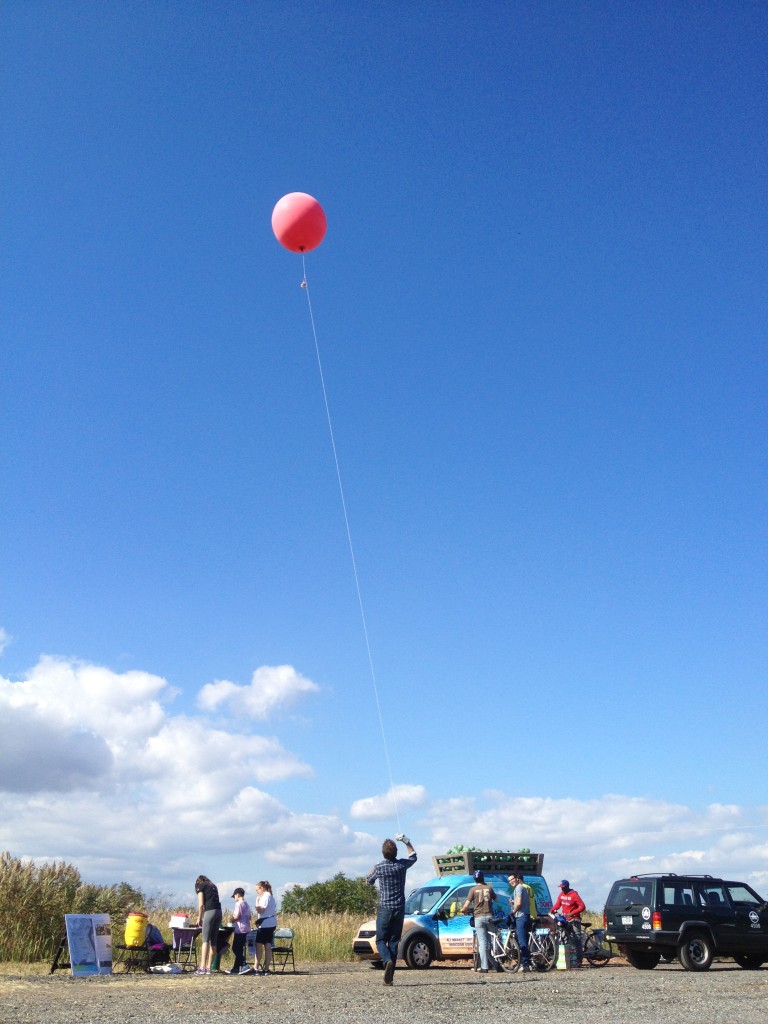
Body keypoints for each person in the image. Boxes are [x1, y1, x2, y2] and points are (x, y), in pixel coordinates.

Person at [366, 832, 417, 986]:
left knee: (381, 940)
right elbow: (413, 857)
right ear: (396, 852)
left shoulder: (379, 867)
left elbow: (368, 881)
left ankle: (386, 960)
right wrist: (406, 840)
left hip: (385, 908)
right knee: (394, 942)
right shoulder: (402, 865)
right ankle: (390, 977)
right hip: (399, 908)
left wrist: (369, 874)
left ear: (383, 853)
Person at [461, 870, 498, 973]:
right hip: (490, 916)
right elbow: (497, 899)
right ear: (483, 878)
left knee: (482, 943)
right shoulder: (489, 888)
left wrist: (463, 910)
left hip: (479, 917)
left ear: (474, 879)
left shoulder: (472, 890)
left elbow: (466, 905)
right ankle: (495, 964)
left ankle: (485, 967)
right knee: (490, 942)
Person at [551, 879, 586, 966]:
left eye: (563, 887)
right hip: (565, 920)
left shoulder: (574, 895)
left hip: (574, 920)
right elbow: (557, 905)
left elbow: (582, 906)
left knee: (577, 939)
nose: (562, 889)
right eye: (561, 888)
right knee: (565, 939)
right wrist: (551, 910)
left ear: (567, 886)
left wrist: (572, 913)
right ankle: (567, 959)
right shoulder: (561, 894)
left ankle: (579, 960)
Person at [194, 874, 223, 975]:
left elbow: (201, 904)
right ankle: (209, 967)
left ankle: (202, 967)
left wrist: (199, 918)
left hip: (209, 911)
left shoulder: (200, 886)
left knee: (205, 940)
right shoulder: (213, 885)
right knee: (213, 940)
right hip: (219, 912)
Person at [507, 872, 532, 972]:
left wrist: (513, 911)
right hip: (525, 915)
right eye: (509, 881)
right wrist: (514, 903)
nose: (511, 882)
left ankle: (525, 964)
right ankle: (528, 962)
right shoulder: (523, 888)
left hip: (521, 916)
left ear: (517, 879)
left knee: (522, 941)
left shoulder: (519, 888)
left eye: (512, 879)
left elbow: (519, 903)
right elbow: (520, 902)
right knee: (524, 939)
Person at [253, 880, 278, 975]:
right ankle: (266, 968)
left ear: (261, 888)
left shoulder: (265, 897)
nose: (257, 892)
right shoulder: (270, 896)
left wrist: (257, 902)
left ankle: (256, 967)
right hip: (271, 923)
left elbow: (261, 910)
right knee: (268, 945)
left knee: (258, 945)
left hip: (265, 924)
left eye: (257, 890)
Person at [227, 887, 252, 975]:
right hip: (246, 928)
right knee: (240, 948)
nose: (234, 898)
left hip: (240, 929)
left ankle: (244, 963)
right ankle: (235, 968)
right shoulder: (247, 904)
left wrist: (231, 919)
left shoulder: (238, 904)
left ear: (237, 895)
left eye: (234, 896)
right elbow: (250, 917)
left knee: (235, 948)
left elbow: (237, 916)